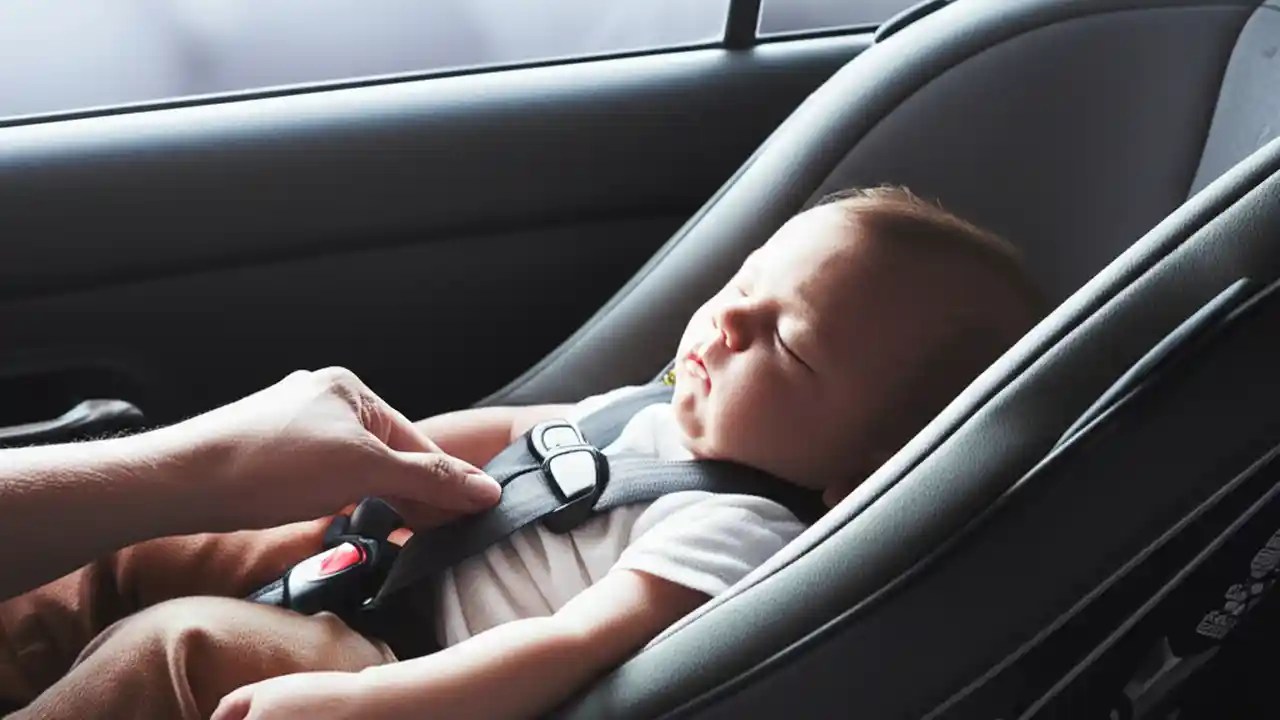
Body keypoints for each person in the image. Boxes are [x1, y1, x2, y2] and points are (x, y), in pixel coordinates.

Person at [1, 186, 1043, 720]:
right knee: (130, 552)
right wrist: (379, 466)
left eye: (787, 342)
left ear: (865, 465)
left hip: (414, 666)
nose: (724, 325)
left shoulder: (737, 528)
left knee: (180, 649)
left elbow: (572, 643)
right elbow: (510, 439)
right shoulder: (660, 405)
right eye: (743, 287)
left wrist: (373, 705)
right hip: (376, 559)